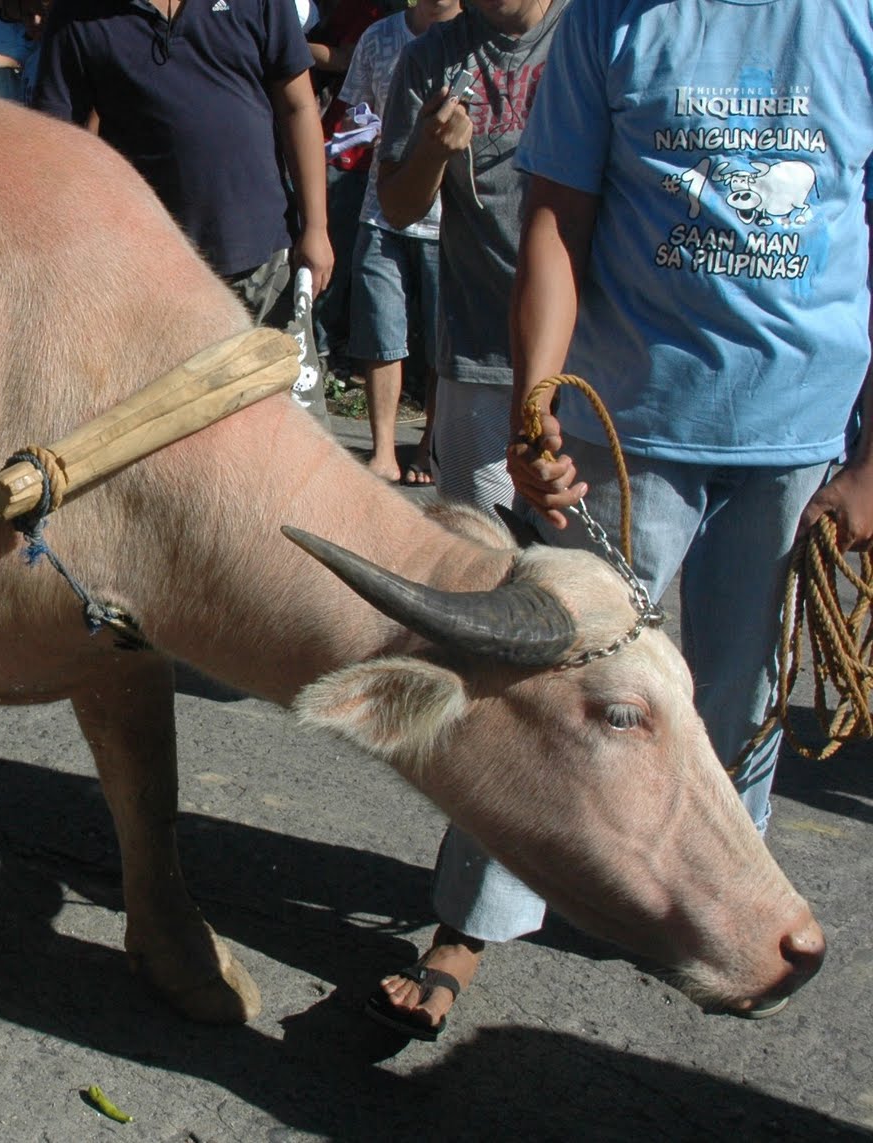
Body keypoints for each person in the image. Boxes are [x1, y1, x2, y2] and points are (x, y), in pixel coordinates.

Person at [496, 0, 873, 1016]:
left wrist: (870, 462)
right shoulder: (606, 21)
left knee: (743, 696)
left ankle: (715, 905)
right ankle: (477, 927)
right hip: (633, 423)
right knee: (563, 677)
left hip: (801, 428)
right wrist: (534, 396)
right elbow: (553, 217)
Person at [366, 0, 568, 1040]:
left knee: (641, 652)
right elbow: (396, 209)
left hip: (601, 374)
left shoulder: (590, 36)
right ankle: (469, 922)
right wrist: (432, 157)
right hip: (479, 371)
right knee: (497, 647)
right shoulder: (431, 58)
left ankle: (640, 868)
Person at [34, 0, 334, 427]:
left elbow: (298, 106)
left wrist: (317, 228)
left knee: (293, 431)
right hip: (154, 273)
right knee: (180, 439)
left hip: (264, 262)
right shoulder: (80, 15)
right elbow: (60, 143)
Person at [339, 0, 459, 484]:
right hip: (380, 209)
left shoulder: (475, 40)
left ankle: (430, 444)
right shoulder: (379, 38)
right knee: (380, 330)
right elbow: (351, 112)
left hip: (448, 219)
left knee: (441, 341)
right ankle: (383, 449)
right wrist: (360, 128)